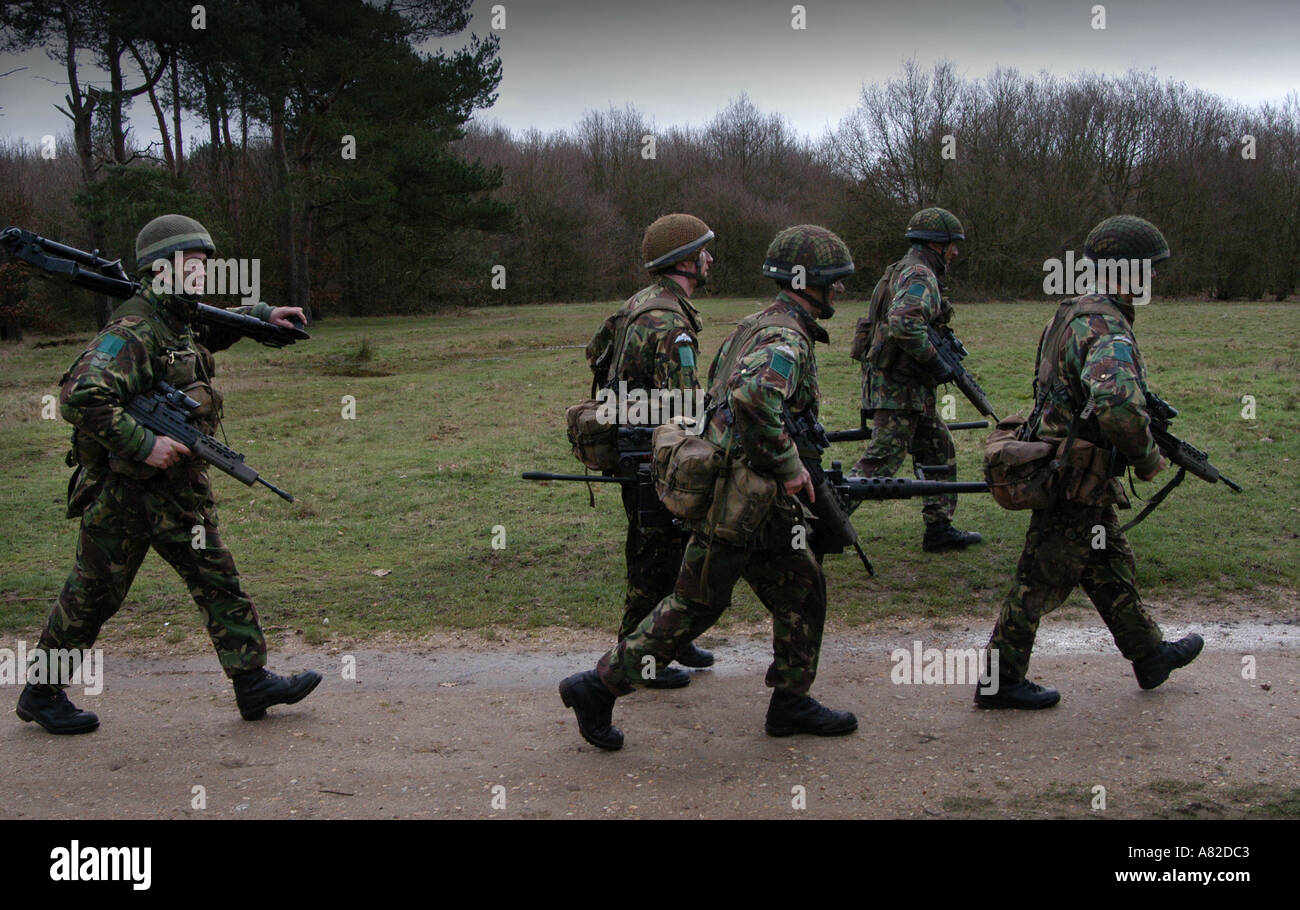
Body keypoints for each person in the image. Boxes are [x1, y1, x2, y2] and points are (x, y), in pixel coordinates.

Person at [16, 214, 321, 734]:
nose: (204, 275)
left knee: (217, 577)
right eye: (195, 266)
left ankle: (252, 682)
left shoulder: (177, 318)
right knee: (93, 594)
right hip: (125, 494)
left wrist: (266, 316)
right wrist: (146, 443)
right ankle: (41, 694)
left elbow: (211, 330)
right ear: (162, 270)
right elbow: (81, 395)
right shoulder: (132, 329)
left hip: (177, 494)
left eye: (206, 265)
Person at [559, 224, 860, 750]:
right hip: (743, 498)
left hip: (754, 496)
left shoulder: (756, 324)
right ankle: (597, 686)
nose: (839, 290)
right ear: (807, 281)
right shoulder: (785, 336)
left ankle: (791, 701)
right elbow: (751, 399)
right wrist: (791, 467)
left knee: (802, 588)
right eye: (834, 280)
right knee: (694, 604)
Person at [976, 215, 1203, 709]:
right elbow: (1118, 405)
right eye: (1152, 268)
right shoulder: (1108, 328)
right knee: (1040, 577)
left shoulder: (1074, 310)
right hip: (1076, 472)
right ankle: (1000, 681)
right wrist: (1147, 458)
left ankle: (1149, 654)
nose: (1157, 278)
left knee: (1106, 561)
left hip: (1075, 470)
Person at [583, 214, 716, 689]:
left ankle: (670, 641)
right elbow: (685, 406)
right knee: (654, 554)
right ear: (684, 259)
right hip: (651, 455)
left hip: (633, 443)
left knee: (670, 548)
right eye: (703, 250)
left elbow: (594, 351)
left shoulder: (639, 303)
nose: (710, 258)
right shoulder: (669, 322)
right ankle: (639, 656)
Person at [851, 207, 982, 552]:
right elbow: (905, 323)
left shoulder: (900, 269)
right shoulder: (921, 275)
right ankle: (817, 525)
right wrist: (936, 362)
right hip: (898, 386)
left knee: (937, 446)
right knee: (881, 460)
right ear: (937, 244)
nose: (956, 252)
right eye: (953, 245)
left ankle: (939, 527)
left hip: (899, 383)